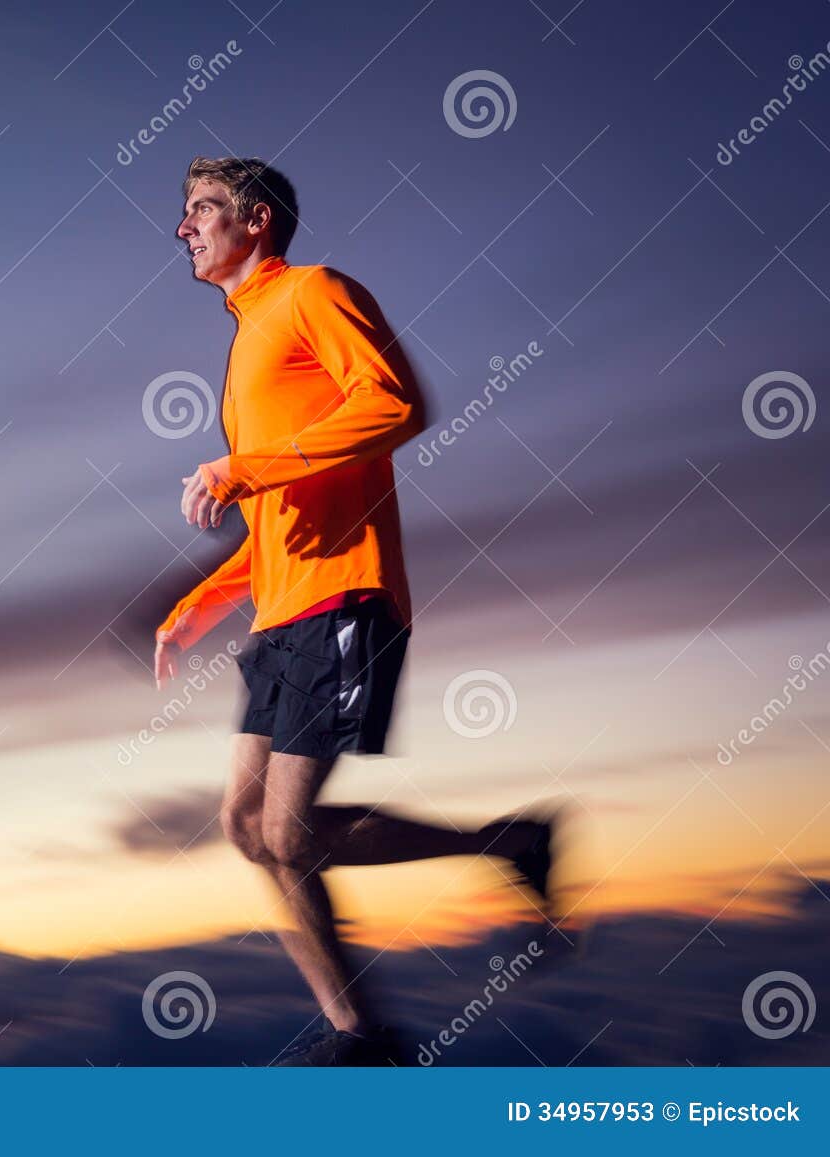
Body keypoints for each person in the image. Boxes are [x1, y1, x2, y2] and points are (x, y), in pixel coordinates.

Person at [153, 156, 558, 1066]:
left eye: (201, 209)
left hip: (347, 597)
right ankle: (358, 1034)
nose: (183, 228)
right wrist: (198, 605)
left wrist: (241, 466)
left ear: (256, 218)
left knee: (289, 830)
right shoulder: (248, 339)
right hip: (281, 617)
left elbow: (398, 403)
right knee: (246, 828)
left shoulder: (314, 292)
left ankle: (506, 845)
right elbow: (279, 517)